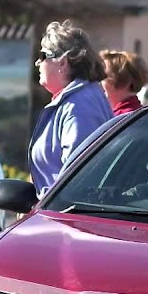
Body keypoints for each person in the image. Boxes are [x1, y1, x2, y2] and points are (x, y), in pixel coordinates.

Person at [30, 20, 113, 195]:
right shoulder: (77, 99)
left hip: (66, 216)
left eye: (44, 55)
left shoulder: (79, 106)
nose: (38, 63)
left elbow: (77, 179)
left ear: (63, 62)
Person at [100, 49, 148, 116]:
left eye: (105, 76)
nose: (99, 81)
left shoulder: (122, 117)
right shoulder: (137, 113)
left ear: (123, 79)